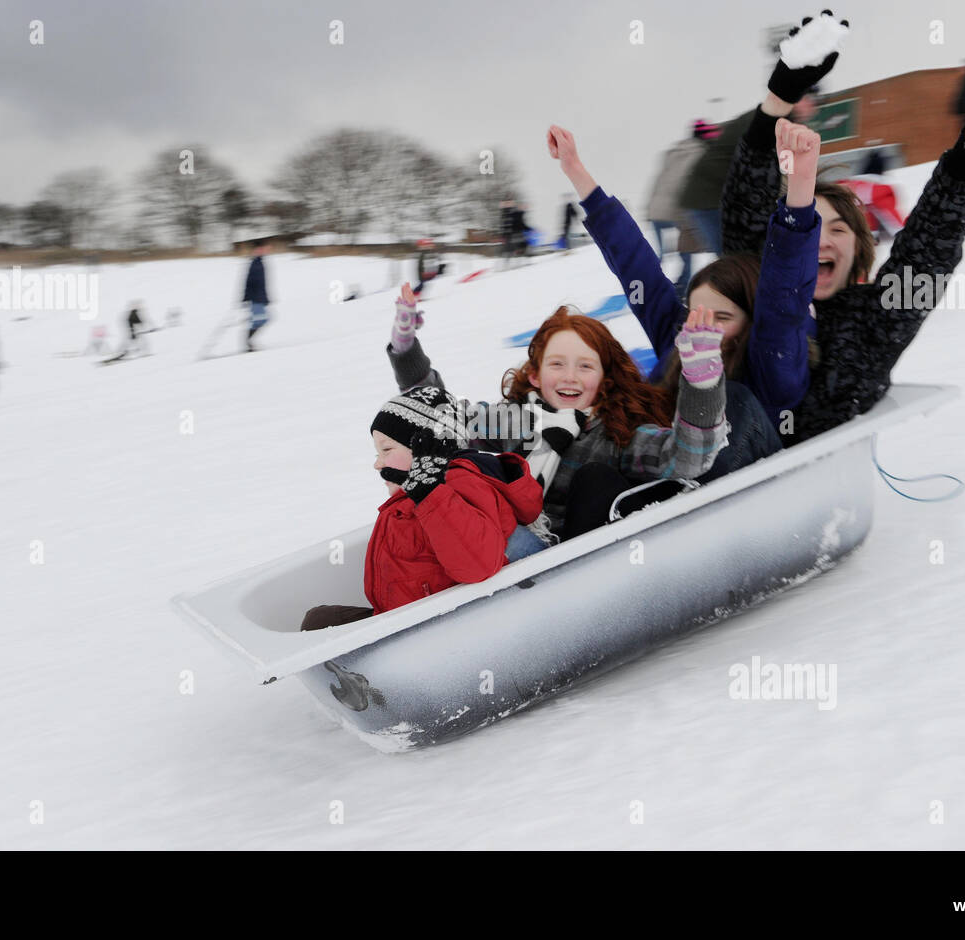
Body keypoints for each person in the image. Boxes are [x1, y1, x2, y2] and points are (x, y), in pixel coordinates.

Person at [718, 15, 965, 443]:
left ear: (859, 251)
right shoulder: (755, 293)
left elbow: (929, 251)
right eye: (812, 225)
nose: (821, 239)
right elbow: (745, 213)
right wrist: (777, 102)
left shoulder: (875, 320)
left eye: (839, 229)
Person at [386, 282, 728, 543]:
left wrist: (702, 383)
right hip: (499, 552)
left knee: (594, 477)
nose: (569, 376)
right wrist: (405, 349)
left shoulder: (617, 436)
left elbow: (689, 458)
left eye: (584, 366)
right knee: (450, 465)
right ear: (535, 374)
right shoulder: (517, 420)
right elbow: (442, 417)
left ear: (604, 378)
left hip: (563, 566)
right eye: (557, 364)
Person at [547, 124, 782, 478]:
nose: (702, 325)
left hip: (740, 483)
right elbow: (636, 264)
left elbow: (789, 304)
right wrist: (575, 170)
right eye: (695, 311)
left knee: (733, 398)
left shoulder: (766, 360)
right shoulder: (678, 339)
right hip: (666, 473)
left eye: (721, 316)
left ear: (751, 320)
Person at [299, 385, 545, 631]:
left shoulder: (456, 485)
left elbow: (479, 565)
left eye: (386, 450)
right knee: (320, 620)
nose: (378, 464)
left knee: (318, 627)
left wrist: (429, 493)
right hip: (403, 618)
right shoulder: (416, 492)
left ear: (427, 448)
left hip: (436, 631)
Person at [646, 122, 710, 300]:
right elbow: (685, 185)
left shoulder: (675, 151)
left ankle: (650, 286)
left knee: (660, 256)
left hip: (655, 210)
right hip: (676, 211)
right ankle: (682, 289)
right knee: (687, 251)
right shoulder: (699, 153)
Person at [242, 240, 272, 351]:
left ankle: (249, 342)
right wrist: (246, 298)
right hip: (255, 298)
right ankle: (248, 343)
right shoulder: (255, 263)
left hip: (259, 297)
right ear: (258, 249)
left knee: (263, 319)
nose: (266, 250)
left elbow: (262, 283)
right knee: (261, 320)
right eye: (264, 248)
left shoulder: (259, 262)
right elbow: (249, 282)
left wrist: (266, 298)